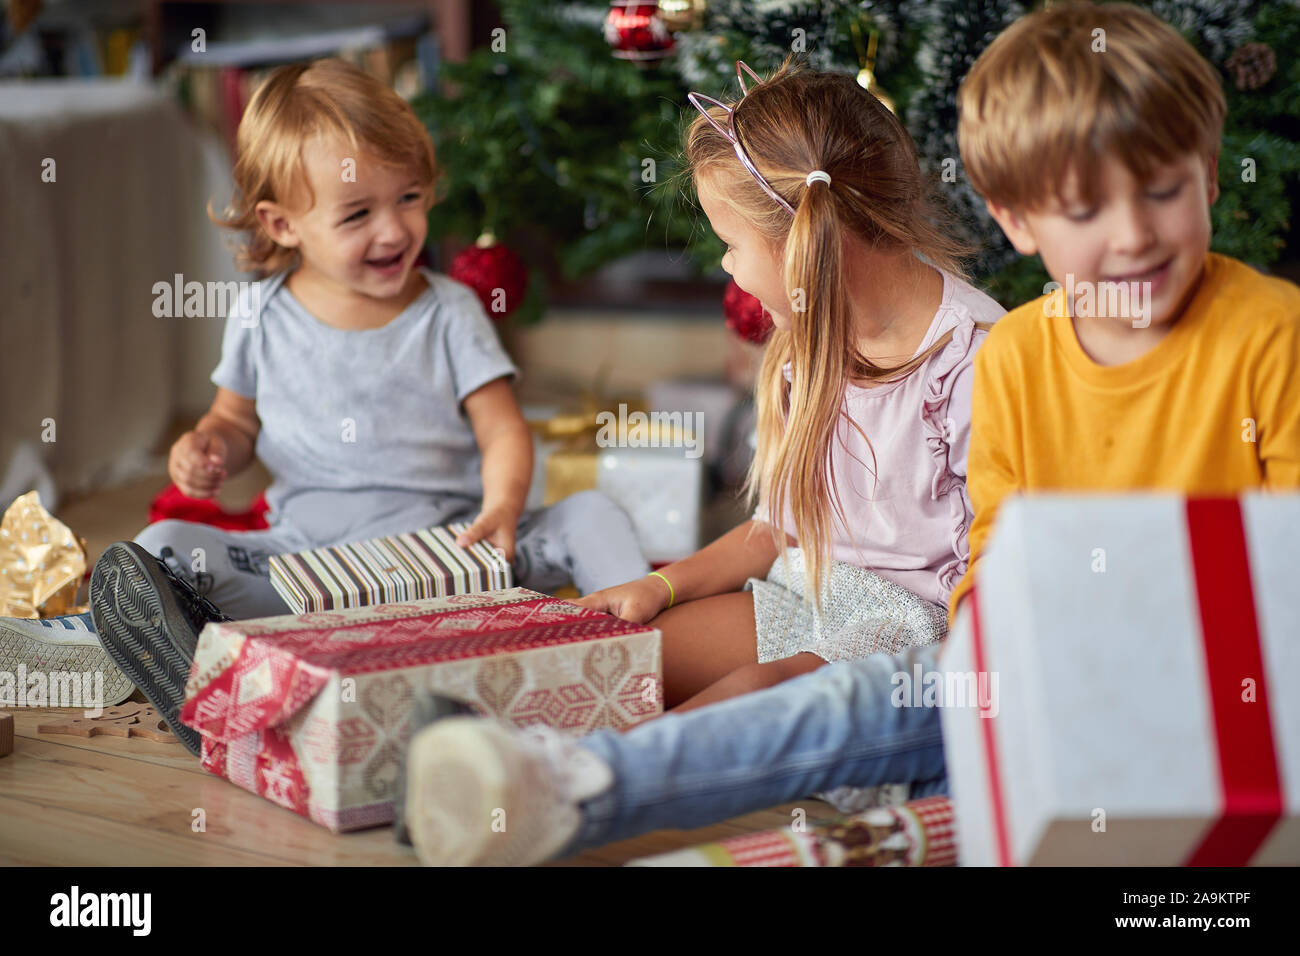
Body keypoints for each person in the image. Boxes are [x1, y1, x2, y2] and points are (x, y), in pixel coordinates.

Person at [401, 1, 1300, 867]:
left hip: (1143, 674)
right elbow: (994, 553)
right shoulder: (1024, 352)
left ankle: (581, 788)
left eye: (1163, 191)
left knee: (833, 696)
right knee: (645, 656)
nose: (1134, 235)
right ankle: (469, 766)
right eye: (1085, 210)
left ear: (1213, 173)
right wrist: (667, 585)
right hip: (998, 654)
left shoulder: (1261, 336)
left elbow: (1277, 563)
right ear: (1018, 223)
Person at [77, 58, 650, 757]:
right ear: (282, 224)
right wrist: (208, 449)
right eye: (358, 213)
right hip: (303, 565)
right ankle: (207, 679)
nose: (394, 230)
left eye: (408, 197)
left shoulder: (449, 310)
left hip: (454, 554)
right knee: (160, 547)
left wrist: (501, 509)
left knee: (590, 512)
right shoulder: (260, 313)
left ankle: (642, 652)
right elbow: (234, 422)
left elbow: (502, 427)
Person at [581, 57, 1001, 717]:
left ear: (801, 247)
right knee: (629, 661)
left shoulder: (974, 359)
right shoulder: (800, 349)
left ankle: (596, 780)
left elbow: (1006, 563)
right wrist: (662, 585)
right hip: (808, 597)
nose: (724, 264)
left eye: (730, 244)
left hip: (913, 636)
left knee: (746, 701)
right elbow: (779, 529)